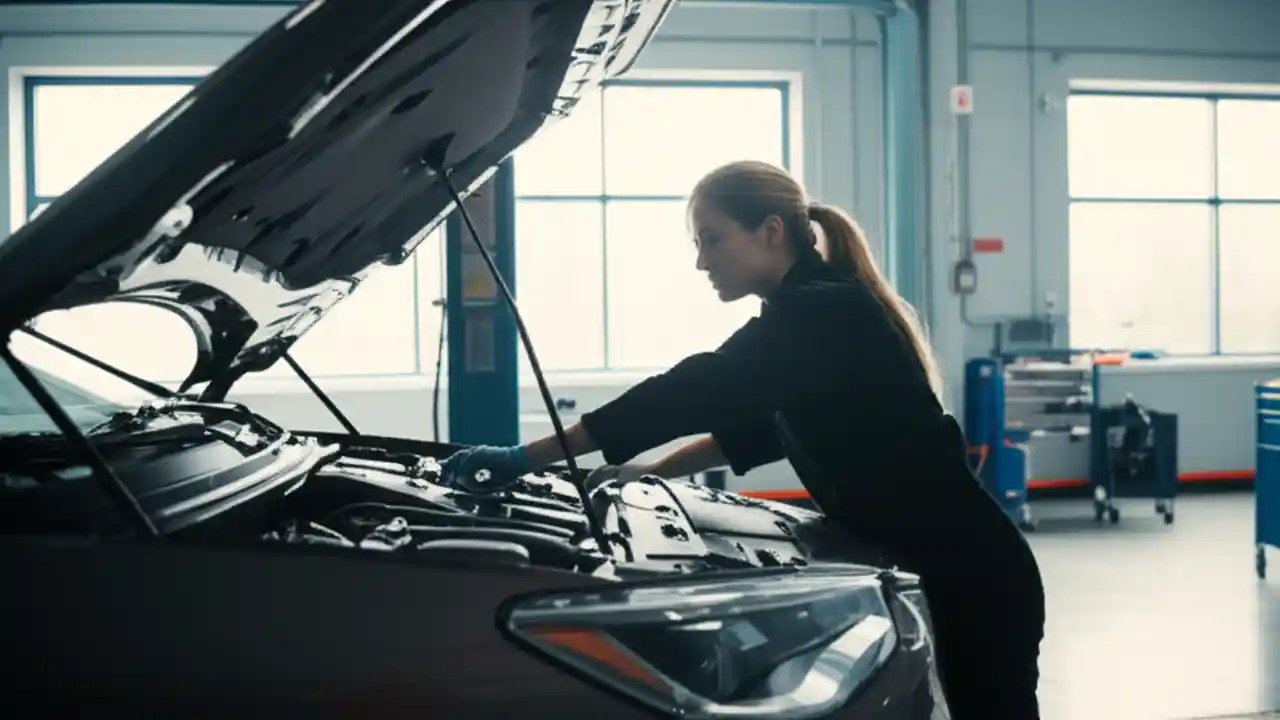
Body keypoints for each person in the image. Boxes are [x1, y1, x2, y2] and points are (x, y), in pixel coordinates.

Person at [441, 160, 1045, 719]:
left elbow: (696, 387)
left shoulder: (823, 313)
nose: (702, 261)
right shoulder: (808, 318)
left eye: (712, 238)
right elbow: (748, 433)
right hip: (941, 566)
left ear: (770, 230)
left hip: (974, 577)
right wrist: (651, 474)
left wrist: (527, 456)